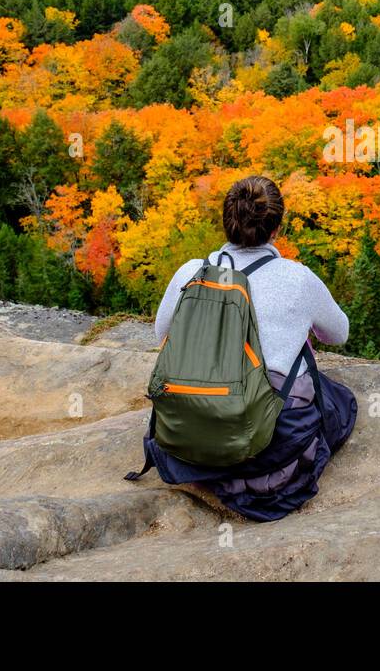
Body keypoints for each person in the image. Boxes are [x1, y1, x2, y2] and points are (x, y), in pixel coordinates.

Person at [146, 175, 358, 520]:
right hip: (264, 439)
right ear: (277, 228)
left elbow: (162, 336)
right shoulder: (297, 278)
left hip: (190, 426)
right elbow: (339, 334)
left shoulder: (191, 271)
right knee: (338, 400)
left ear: (226, 223)